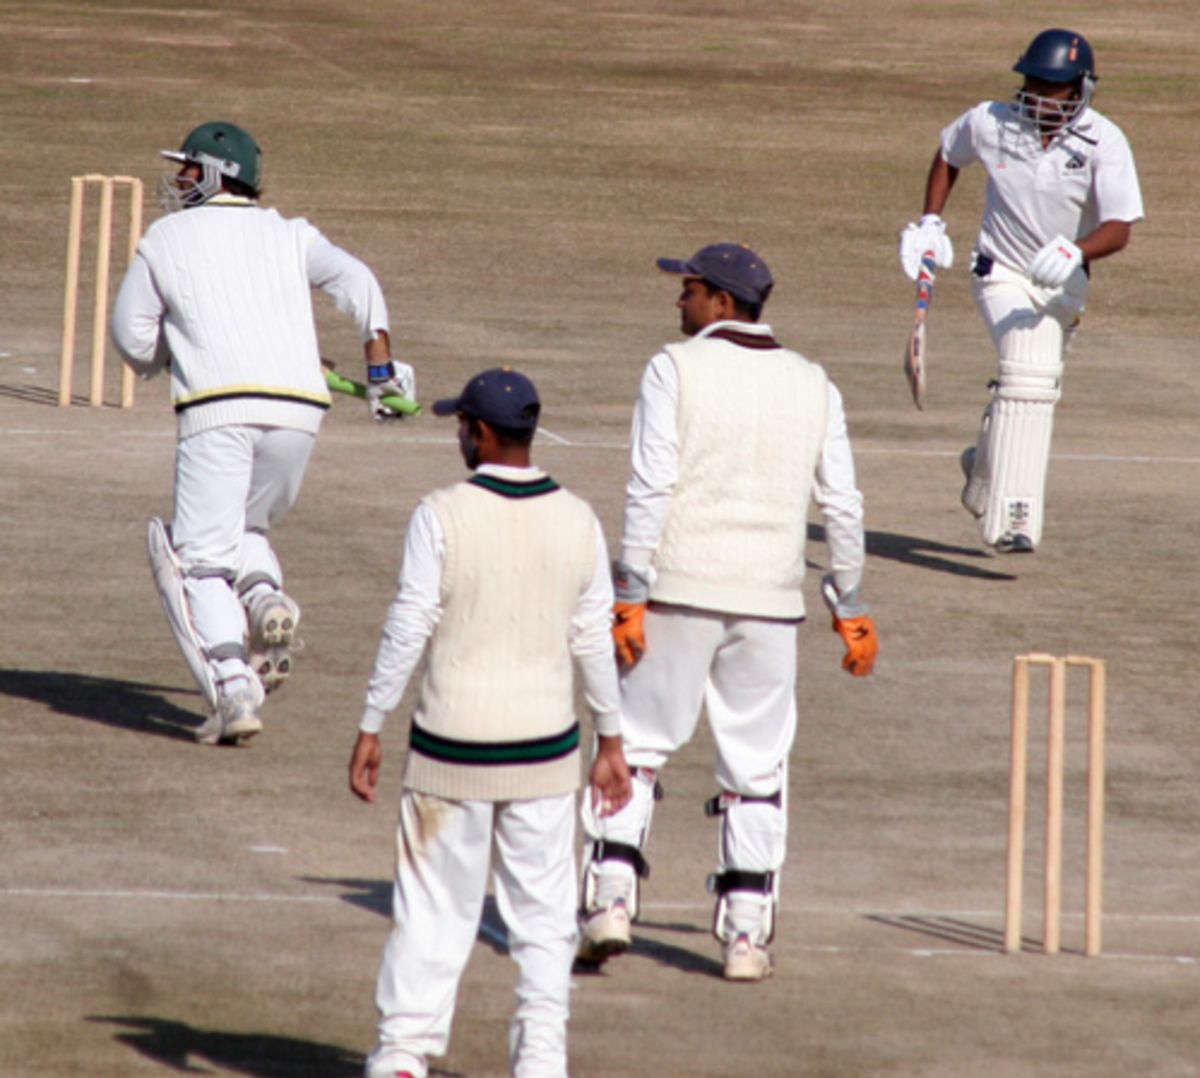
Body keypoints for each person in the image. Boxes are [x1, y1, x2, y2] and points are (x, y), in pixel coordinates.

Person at [576, 243, 878, 982]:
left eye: (688, 290)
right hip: (770, 605)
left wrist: (629, 589)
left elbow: (650, 485)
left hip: (678, 589)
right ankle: (745, 935)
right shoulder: (813, 382)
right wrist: (850, 598)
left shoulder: (673, 368)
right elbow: (841, 501)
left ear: (720, 301)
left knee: (637, 747)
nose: (677, 302)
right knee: (757, 767)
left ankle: (612, 899)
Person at [348, 367, 632, 1078]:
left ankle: (404, 1056)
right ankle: (540, 1060)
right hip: (544, 754)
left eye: (459, 425)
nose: (456, 435)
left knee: (433, 911)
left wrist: (372, 720)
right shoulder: (578, 518)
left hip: (453, 747)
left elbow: (410, 622)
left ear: (479, 432)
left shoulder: (441, 512)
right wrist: (612, 739)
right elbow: (593, 639)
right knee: (543, 922)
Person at [111, 120, 415, 745]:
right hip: (300, 411)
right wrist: (379, 369)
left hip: (218, 408)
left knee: (195, 560)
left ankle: (232, 686)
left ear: (218, 174)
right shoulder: (290, 233)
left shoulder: (166, 236)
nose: (179, 178)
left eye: (189, 168)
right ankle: (265, 599)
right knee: (244, 529)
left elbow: (130, 336)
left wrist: (173, 355)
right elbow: (358, 281)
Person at [899, 28, 1144, 553]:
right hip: (999, 271)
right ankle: (1014, 521)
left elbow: (1120, 226)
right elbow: (948, 154)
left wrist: (1077, 251)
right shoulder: (992, 121)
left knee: (1035, 387)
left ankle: (983, 463)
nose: (1036, 92)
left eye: (1050, 85)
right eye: (1032, 81)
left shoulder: (1105, 141)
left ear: (1080, 88)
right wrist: (930, 222)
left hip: (1064, 284)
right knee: (1027, 362)